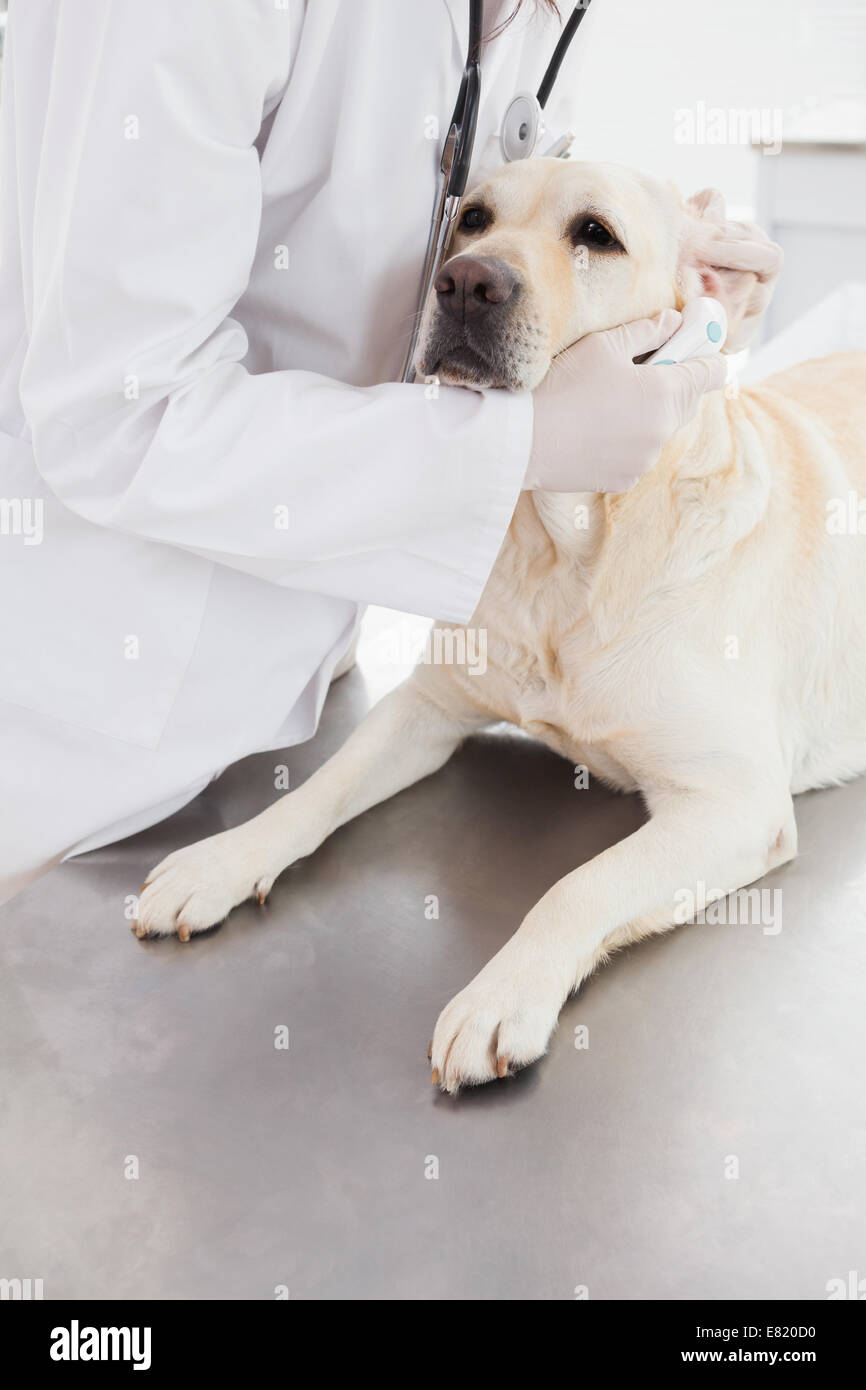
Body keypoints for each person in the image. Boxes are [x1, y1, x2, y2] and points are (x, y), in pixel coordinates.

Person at [0, 0, 724, 902]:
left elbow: (455, 238)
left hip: (291, 706)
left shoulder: (542, 14)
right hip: (63, 740)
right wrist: (524, 443)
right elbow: (120, 415)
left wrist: (661, 256)